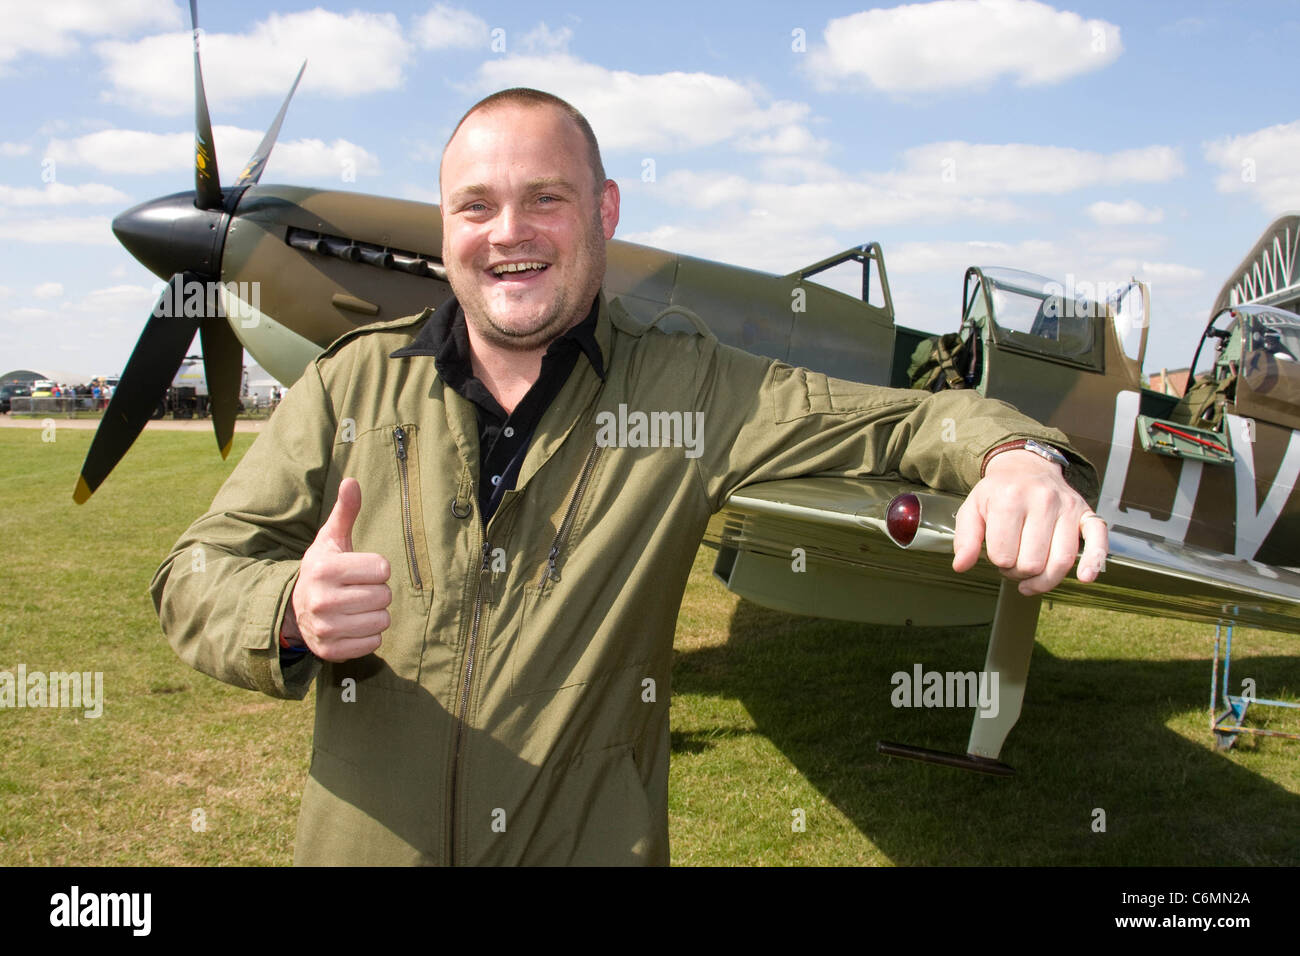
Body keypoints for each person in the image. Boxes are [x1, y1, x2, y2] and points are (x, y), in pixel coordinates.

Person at [151, 88, 1108, 866]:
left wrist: (1017, 457)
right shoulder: (350, 379)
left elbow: (898, 418)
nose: (508, 232)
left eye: (547, 199)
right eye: (475, 205)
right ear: (445, 228)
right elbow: (194, 571)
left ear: (603, 210)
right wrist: (287, 609)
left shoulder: (688, 386)